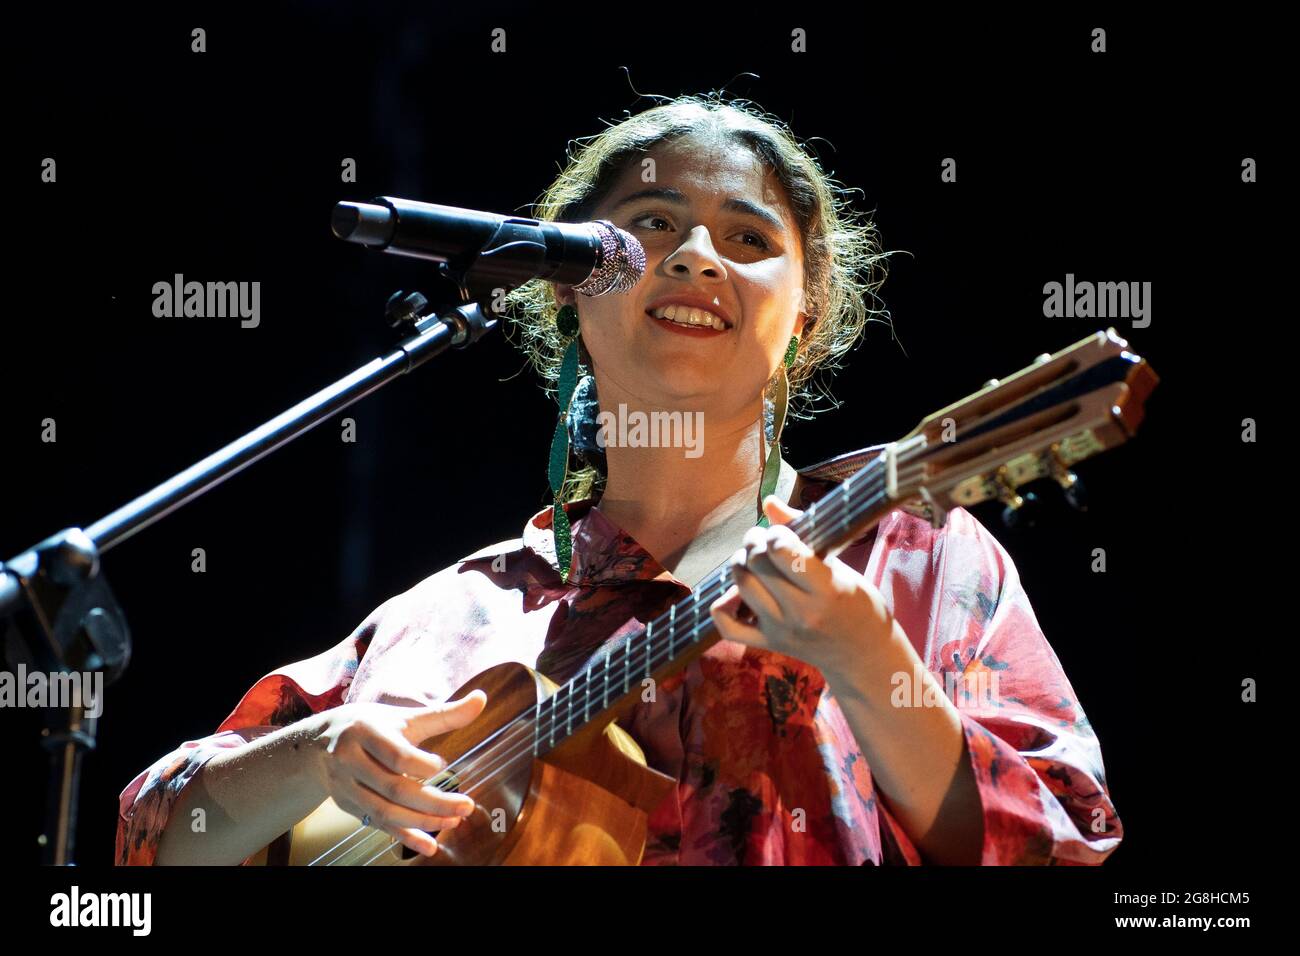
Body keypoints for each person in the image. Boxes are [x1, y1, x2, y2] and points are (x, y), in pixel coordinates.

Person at [116, 94, 1123, 866]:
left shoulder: (910, 556)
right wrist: (321, 748)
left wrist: (862, 656)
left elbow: (1060, 846)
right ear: (571, 285)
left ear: (805, 310)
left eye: (747, 238)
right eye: (648, 224)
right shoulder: (454, 609)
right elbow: (155, 847)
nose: (692, 257)